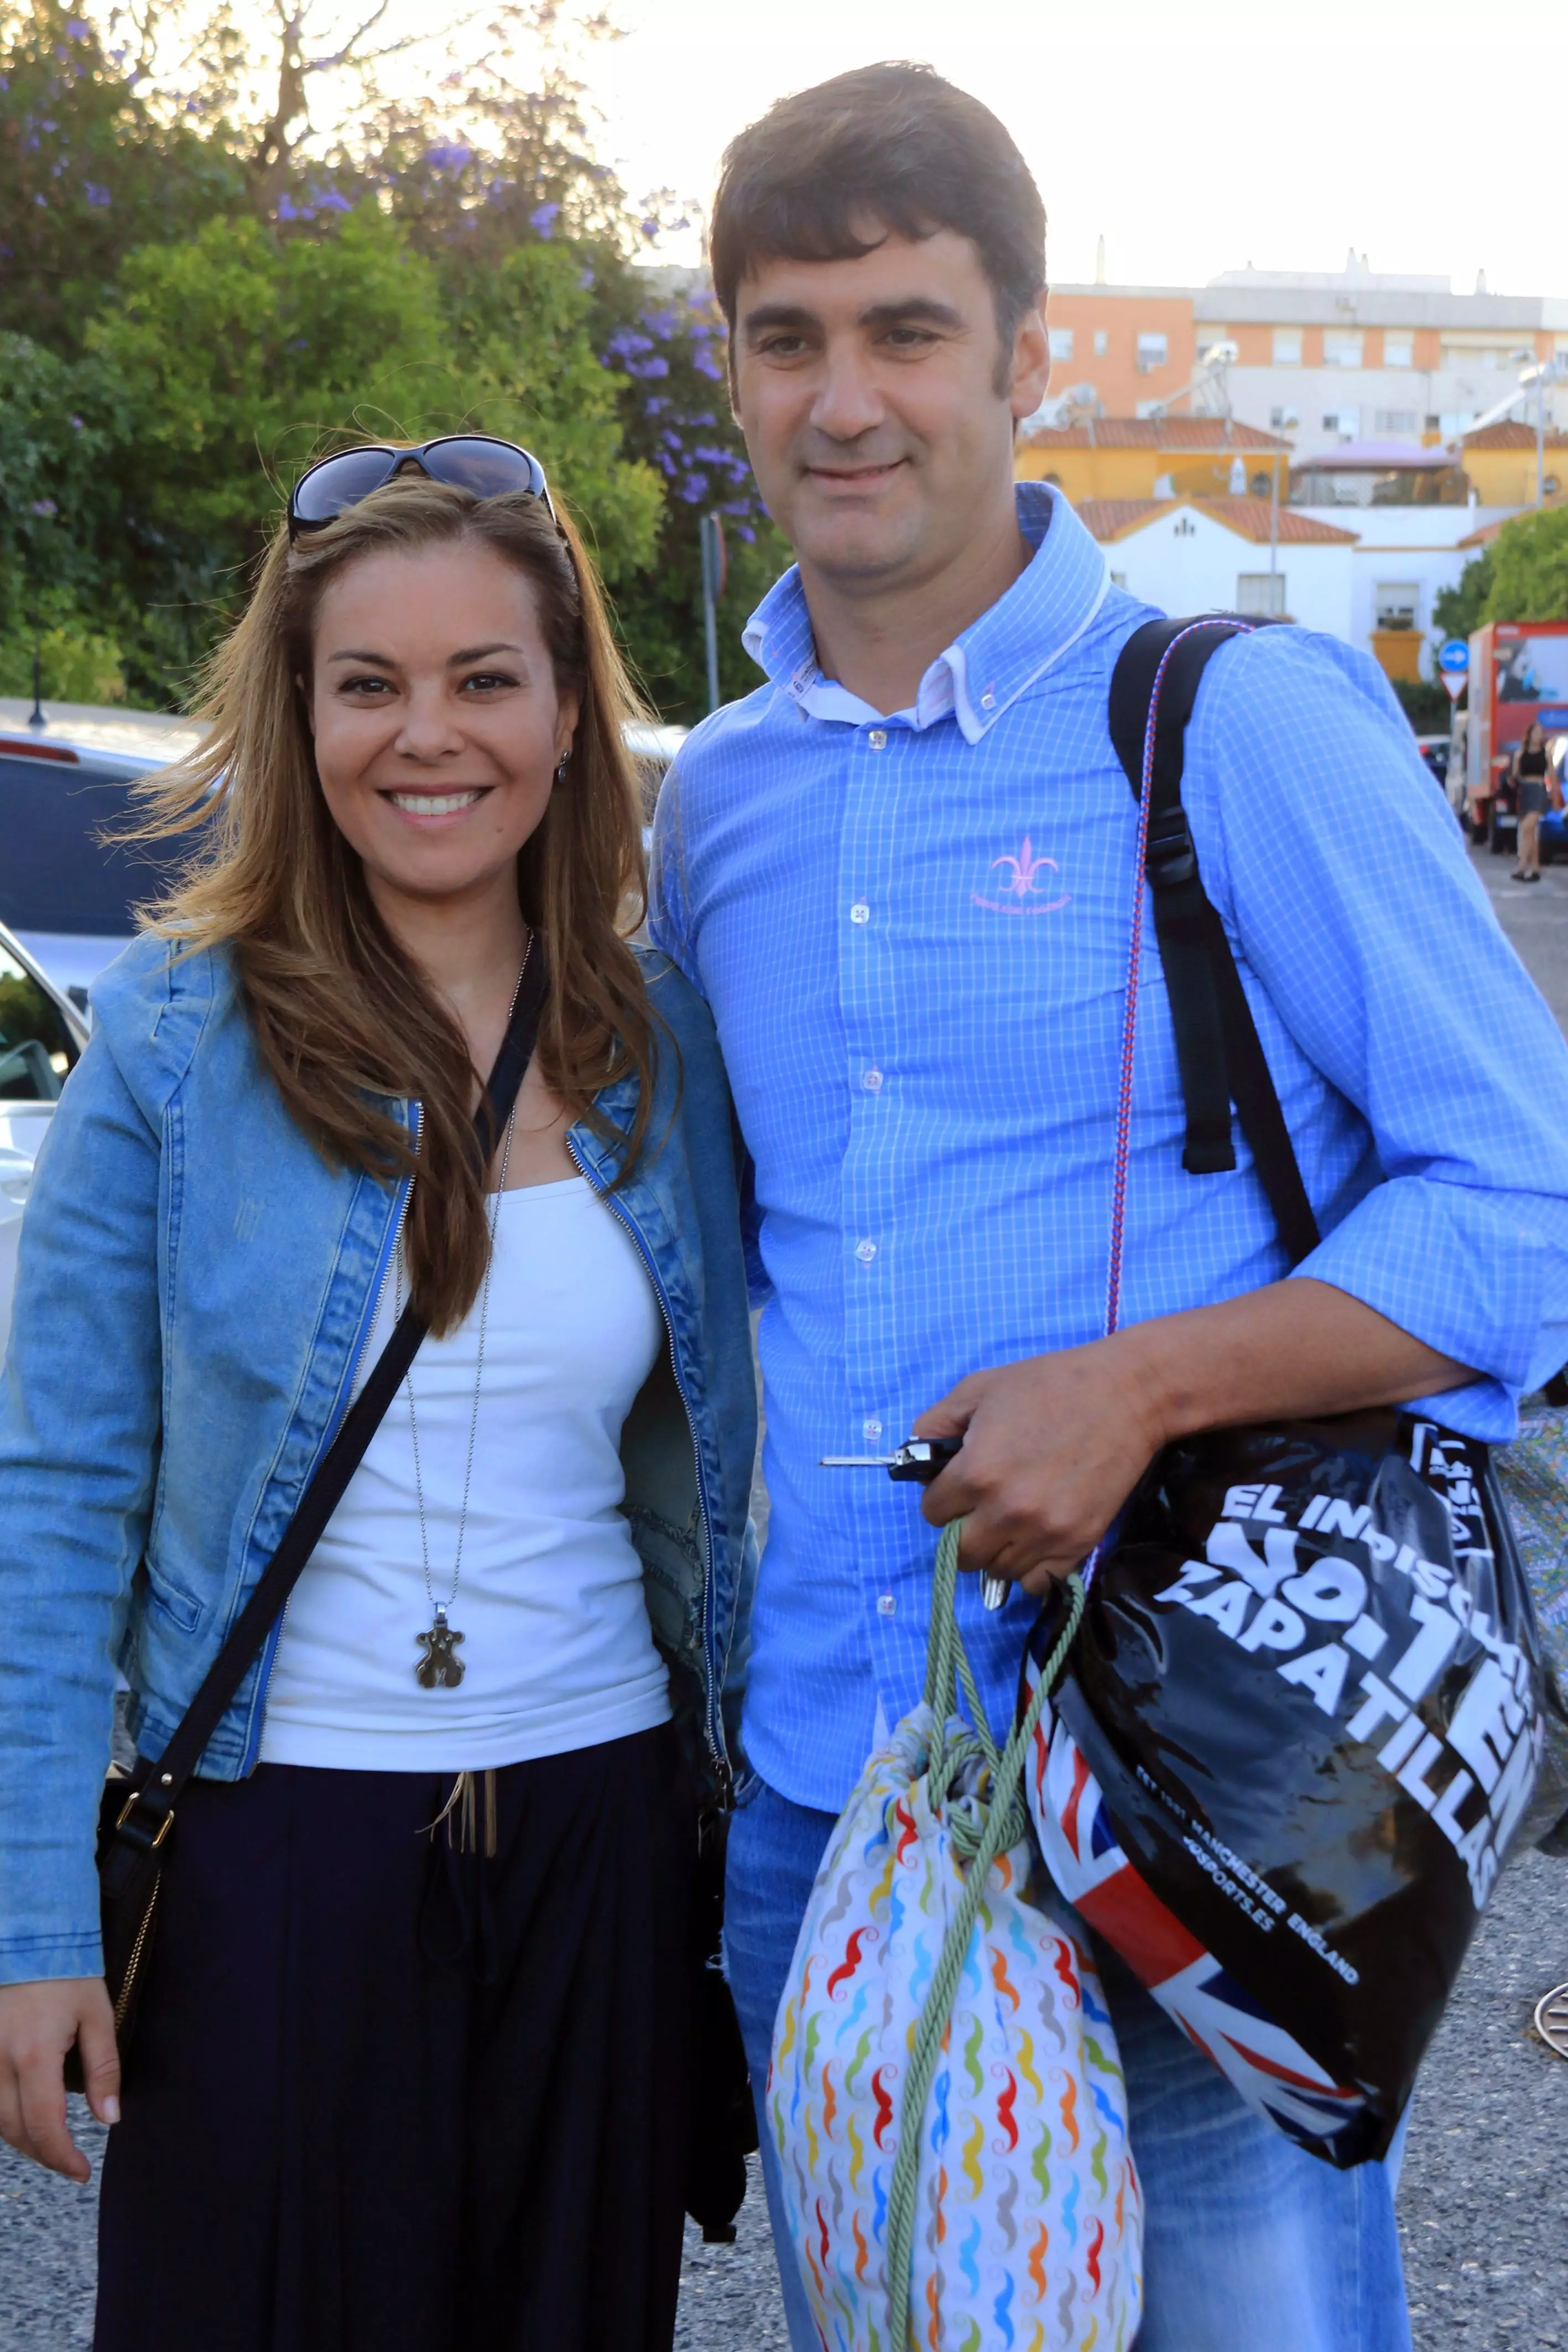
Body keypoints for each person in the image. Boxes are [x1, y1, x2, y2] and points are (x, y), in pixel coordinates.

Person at [648, 62, 1568, 2352]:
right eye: (786, 337)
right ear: (733, 368)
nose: (841, 399)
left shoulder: (1230, 716)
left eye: (904, 329)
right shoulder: (721, 800)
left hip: (1189, 1797)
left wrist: (1138, 1387)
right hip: (816, 1815)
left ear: (1025, 357)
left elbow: (1527, 1204)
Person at [0, 442, 759, 2352]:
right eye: (370, 685)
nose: (430, 736)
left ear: (571, 712)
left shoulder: (662, 1042)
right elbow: (57, 1493)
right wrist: (30, 1928)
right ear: (302, 713)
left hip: (601, 1836)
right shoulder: (176, 1043)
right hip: (272, 1859)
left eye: (485, 679)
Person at [1510, 718, 1557, 880]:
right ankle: (1535, 868)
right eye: (1536, 733)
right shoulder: (1520, 754)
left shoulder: (1545, 754)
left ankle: (1522, 865)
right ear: (1529, 735)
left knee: (1527, 828)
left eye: (1541, 733)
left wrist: (1556, 798)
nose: (1539, 736)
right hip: (1525, 791)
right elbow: (1515, 776)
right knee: (1531, 832)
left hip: (1538, 790)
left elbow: (1552, 776)